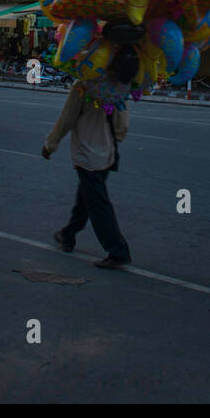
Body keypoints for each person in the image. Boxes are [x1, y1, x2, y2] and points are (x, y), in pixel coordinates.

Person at [42, 48, 136, 269]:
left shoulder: (83, 86)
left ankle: (118, 251)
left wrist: (50, 144)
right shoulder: (118, 88)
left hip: (87, 155)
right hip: (108, 154)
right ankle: (68, 234)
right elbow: (122, 126)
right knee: (86, 198)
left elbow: (67, 119)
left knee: (98, 205)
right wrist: (113, 141)